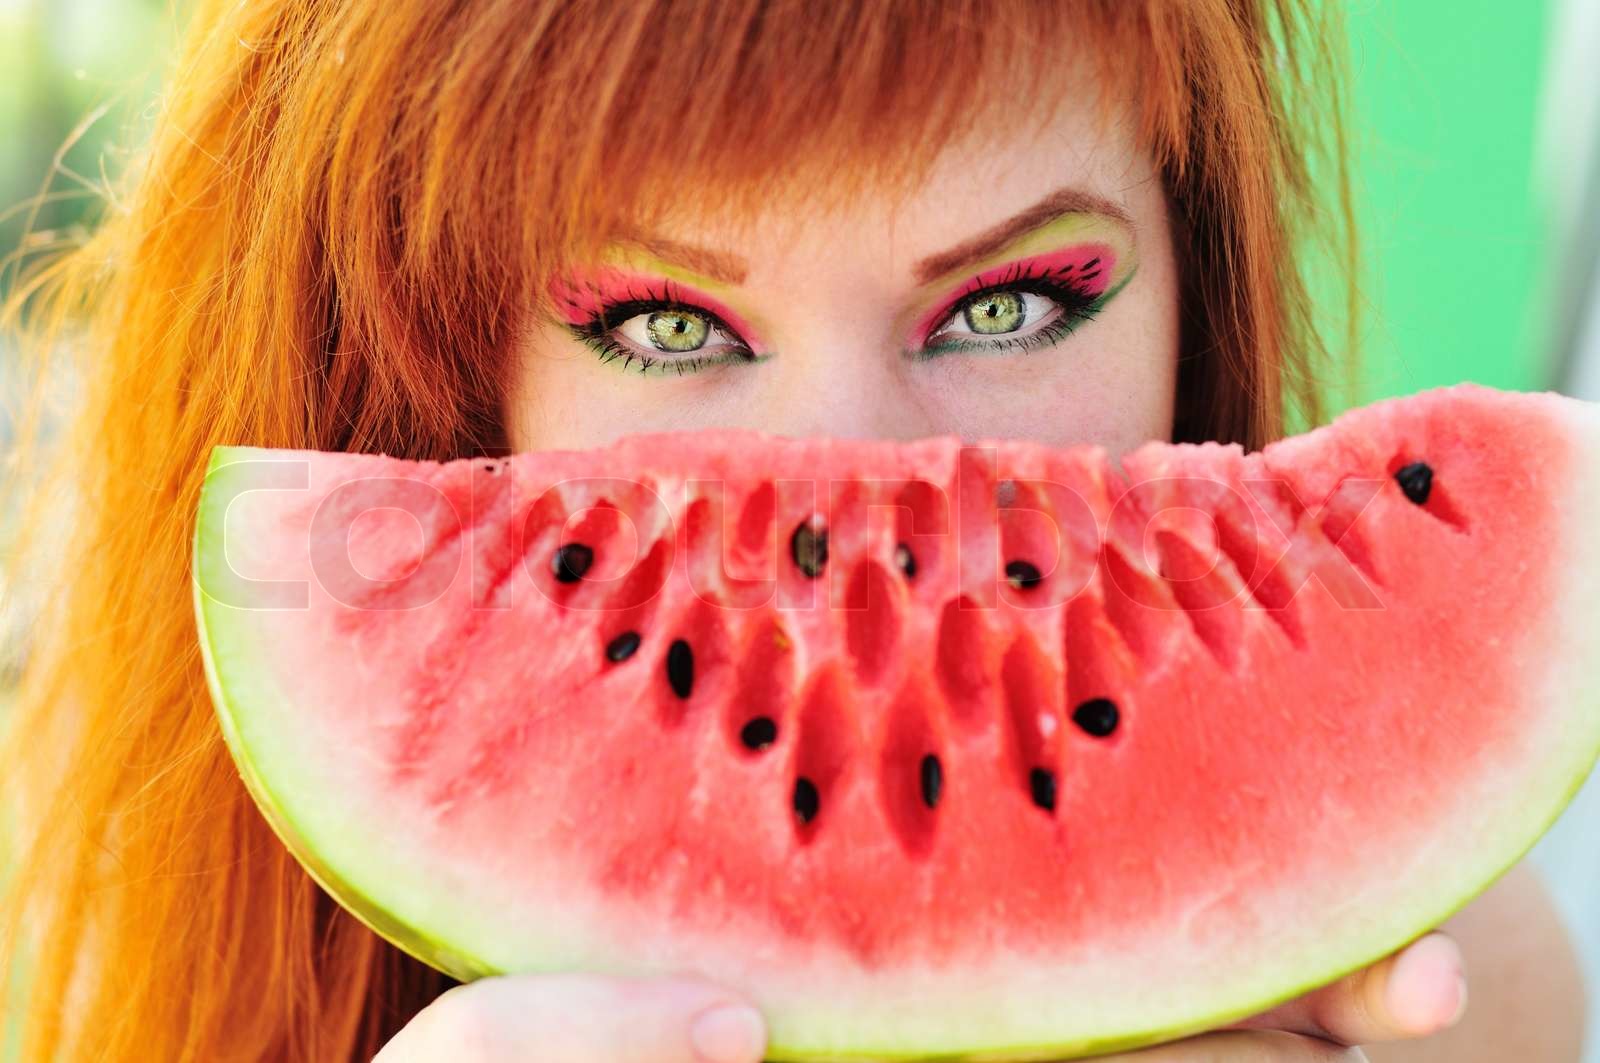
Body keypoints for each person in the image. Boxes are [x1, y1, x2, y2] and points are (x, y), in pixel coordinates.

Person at [0, 1, 1586, 1060]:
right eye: (668, 329)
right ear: (409, 364)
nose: (853, 495)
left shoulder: (1452, 997)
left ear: (1193, 285)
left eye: (1012, 303)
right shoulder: (73, 966)